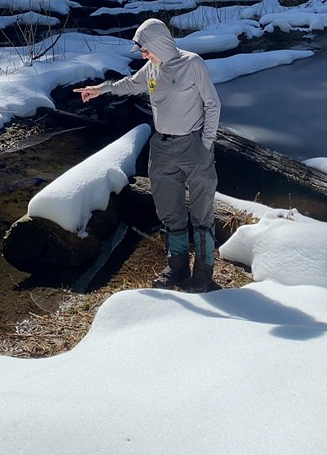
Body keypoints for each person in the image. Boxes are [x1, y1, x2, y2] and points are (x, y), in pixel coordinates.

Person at [75, 18, 222, 292]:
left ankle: (203, 274)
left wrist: (206, 142)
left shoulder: (192, 64)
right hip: (163, 147)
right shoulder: (152, 67)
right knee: (169, 211)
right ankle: (177, 268)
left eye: (145, 49)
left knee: (202, 214)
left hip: (193, 145)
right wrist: (101, 89)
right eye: (141, 51)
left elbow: (212, 104)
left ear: (159, 43)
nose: (143, 55)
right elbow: (131, 84)